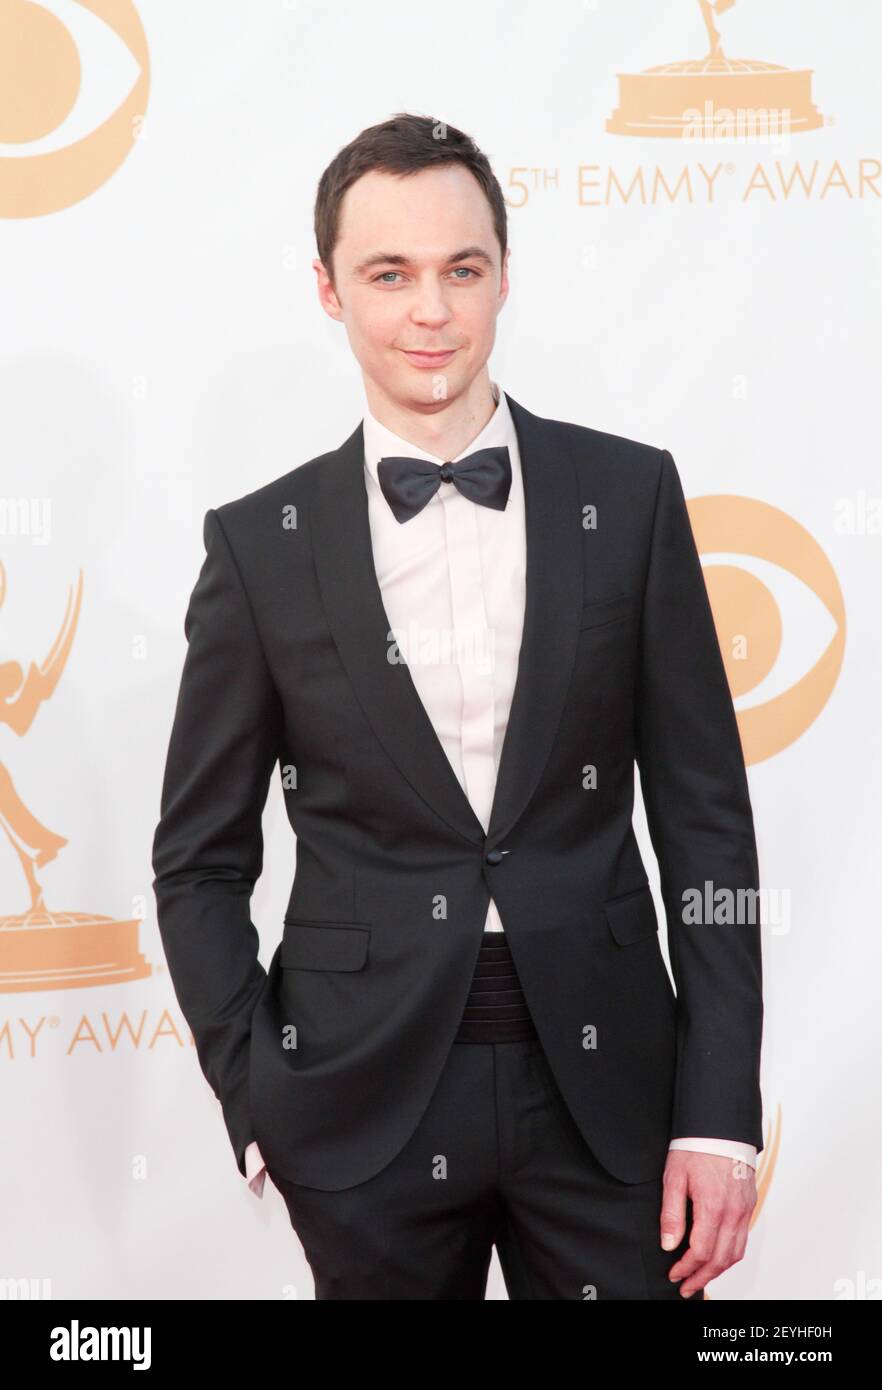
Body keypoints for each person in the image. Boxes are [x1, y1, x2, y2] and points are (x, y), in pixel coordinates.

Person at [151, 112, 763, 1300]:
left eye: (461, 270)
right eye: (390, 274)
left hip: (610, 1101)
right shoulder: (260, 547)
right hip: (360, 1105)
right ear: (329, 291)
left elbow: (708, 827)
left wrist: (721, 1113)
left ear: (502, 278)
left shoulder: (628, 496)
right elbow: (197, 861)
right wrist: (257, 1092)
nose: (430, 310)